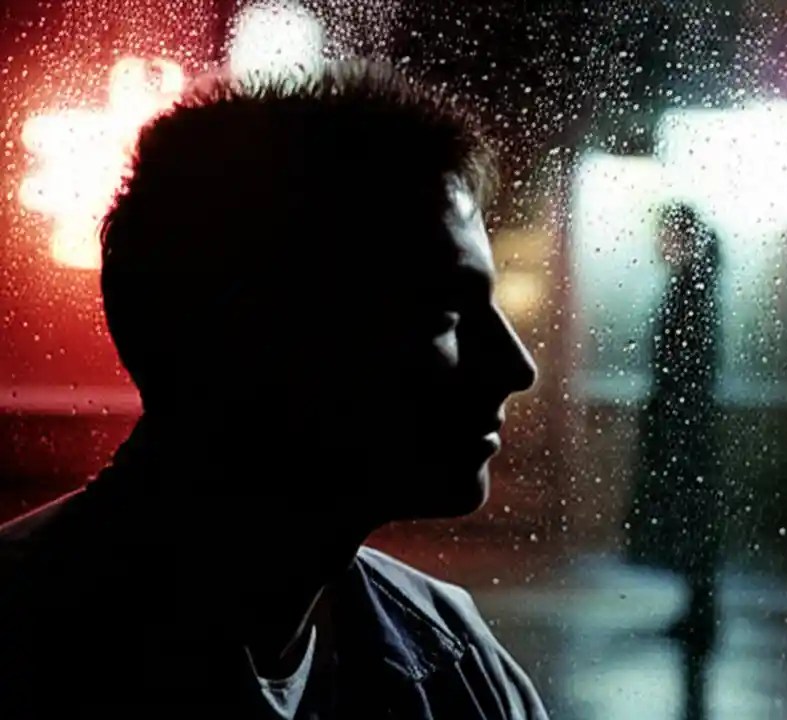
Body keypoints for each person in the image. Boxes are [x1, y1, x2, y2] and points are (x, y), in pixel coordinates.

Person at [0, 62, 546, 719]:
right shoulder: (446, 667)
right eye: (441, 316)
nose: (516, 367)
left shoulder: (453, 653)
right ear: (259, 331)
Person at [625, 203, 723, 659]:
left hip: (684, 420)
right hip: (687, 418)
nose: (658, 244)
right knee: (692, 515)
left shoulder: (690, 291)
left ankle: (701, 611)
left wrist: (669, 418)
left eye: (664, 233)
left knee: (692, 513)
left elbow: (683, 366)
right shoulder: (695, 288)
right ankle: (699, 608)